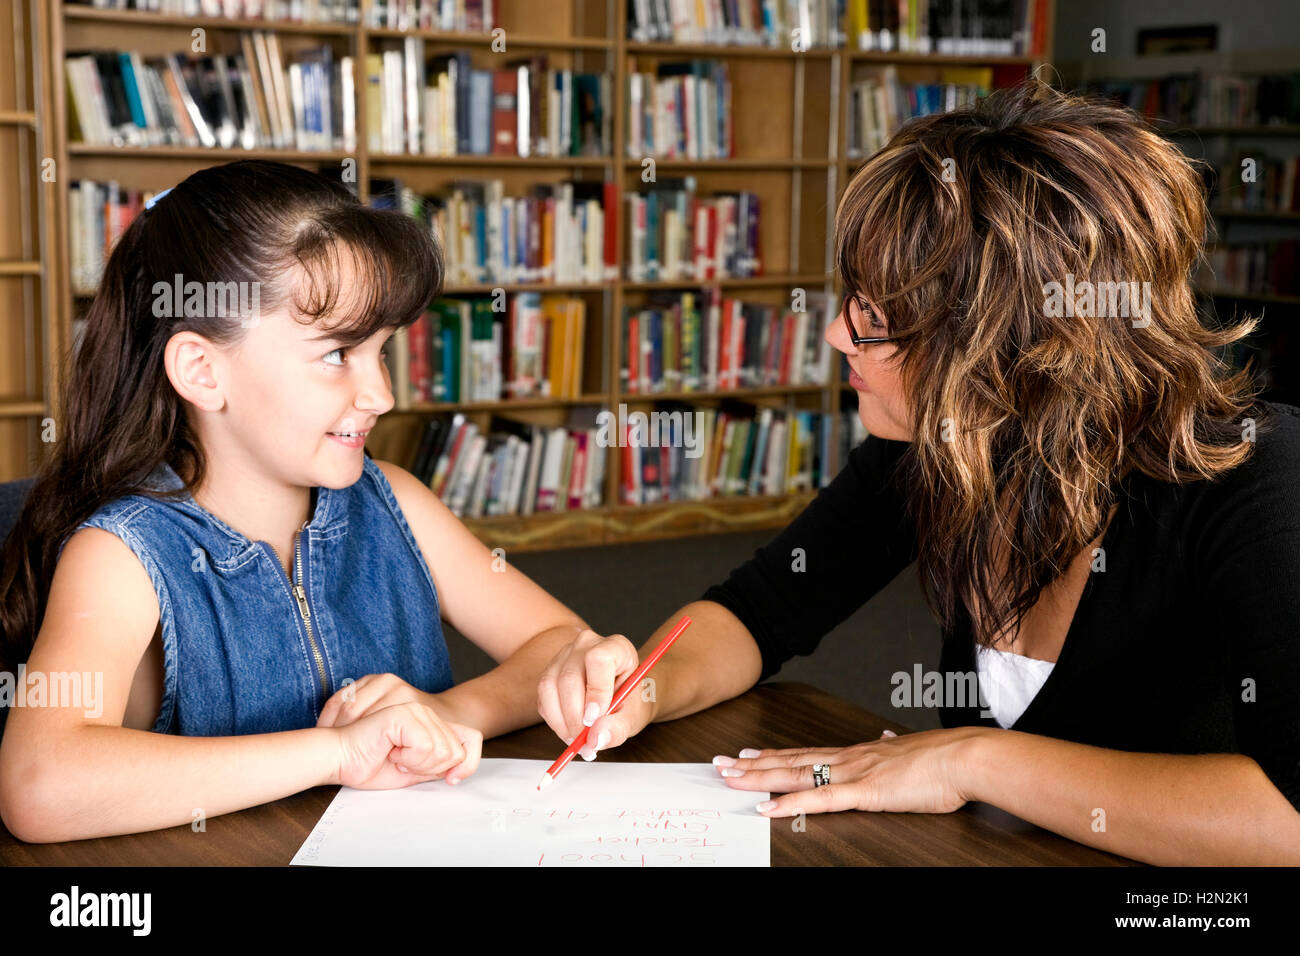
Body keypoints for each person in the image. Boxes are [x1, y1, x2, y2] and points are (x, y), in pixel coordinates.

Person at [535, 81, 1300, 866]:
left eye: (875, 316)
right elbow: (758, 613)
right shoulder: (937, 445)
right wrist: (640, 692)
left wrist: (971, 760)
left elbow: (1287, 823)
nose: (836, 333)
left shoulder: (1255, 478)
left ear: (1009, 339)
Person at [0, 160, 595, 843]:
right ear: (203, 370)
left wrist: (443, 712)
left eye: (383, 352)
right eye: (338, 354)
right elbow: (39, 784)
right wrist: (339, 753)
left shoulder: (393, 500)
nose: (381, 395)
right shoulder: (121, 556)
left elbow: (562, 647)